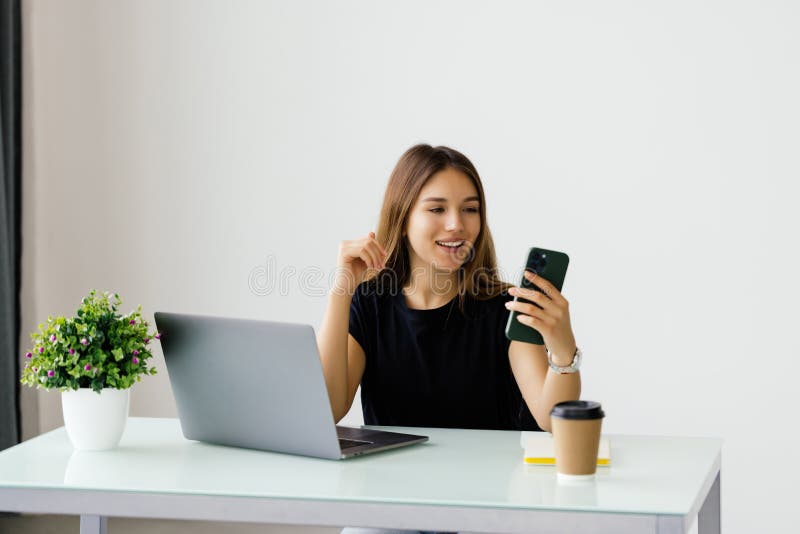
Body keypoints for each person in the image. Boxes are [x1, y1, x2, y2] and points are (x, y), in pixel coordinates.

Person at [319, 144, 582, 534]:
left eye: (470, 209)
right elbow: (328, 409)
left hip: (490, 504)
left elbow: (551, 419)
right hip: (394, 502)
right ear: (403, 217)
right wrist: (342, 289)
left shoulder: (503, 306)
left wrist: (562, 345)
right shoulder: (371, 304)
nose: (457, 224)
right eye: (437, 209)